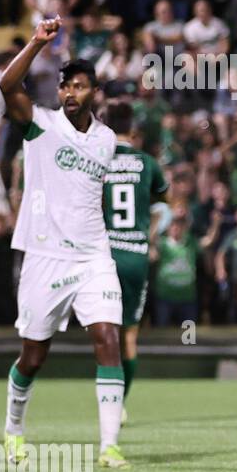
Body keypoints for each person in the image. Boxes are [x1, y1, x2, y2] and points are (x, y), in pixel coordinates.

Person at [0, 18, 129, 468]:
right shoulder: (41, 125)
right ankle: (13, 428)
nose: (71, 93)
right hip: (44, 257)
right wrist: (37, 42)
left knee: (108, 337)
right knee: (34, 356)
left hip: (94, 255)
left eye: (80, 86)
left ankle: (109, 445)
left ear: (94, 93)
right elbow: (7, 85)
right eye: (66, 86)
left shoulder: (107, 141)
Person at [101, 100, 168, 422]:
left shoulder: (96, 159)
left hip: (101, 253)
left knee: (104, 332)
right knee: (129, 335)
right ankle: (119, 403)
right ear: (134, 131)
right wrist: (151, 233)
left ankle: (105, 393)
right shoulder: (148, 163)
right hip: (135, 255)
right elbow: (164, 203)